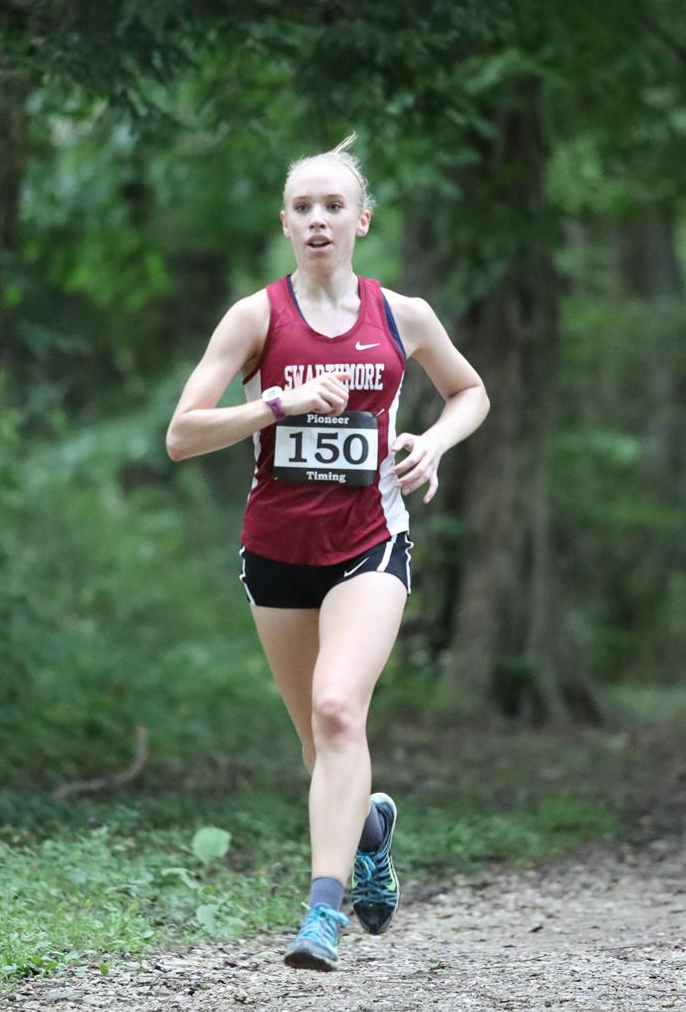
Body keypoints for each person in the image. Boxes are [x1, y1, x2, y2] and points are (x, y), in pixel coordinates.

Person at [165, 135, 489, 970]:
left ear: (362, 221)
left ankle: (321, 916)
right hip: (276, 552)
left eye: (333, 206)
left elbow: (470, 391)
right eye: (303, 208)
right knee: (319, 747)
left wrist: (438, 443)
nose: (318, 220)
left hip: (370, 542)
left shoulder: (401, 313)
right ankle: (372, 829)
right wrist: (276, 403)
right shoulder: (255, 317)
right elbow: (181, 434)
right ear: (285, 223)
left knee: (341, 708)